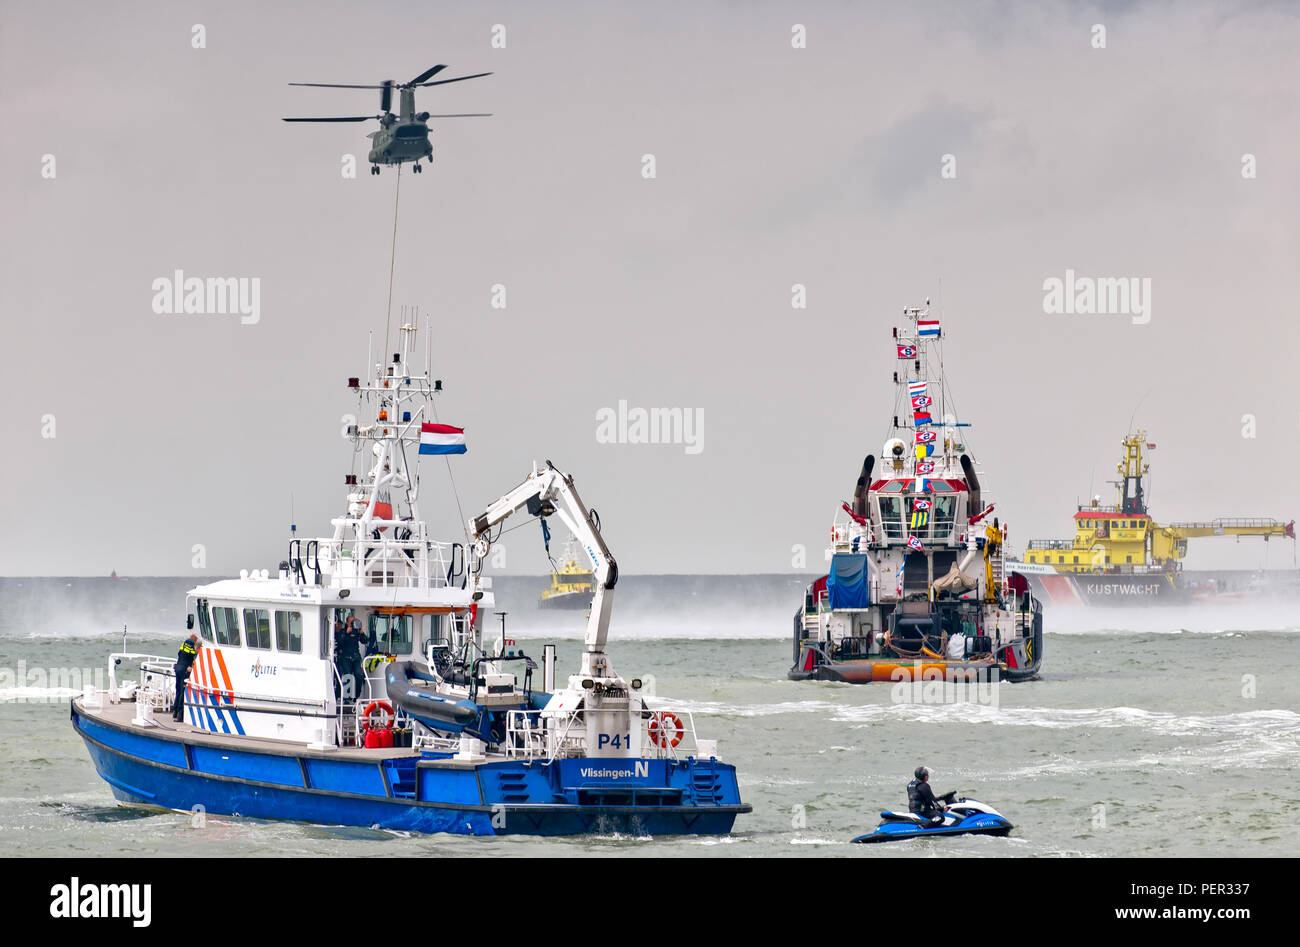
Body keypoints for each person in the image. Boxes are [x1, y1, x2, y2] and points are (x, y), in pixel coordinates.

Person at [334, 615, 367, 703]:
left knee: (359, 675)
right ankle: (346, 698)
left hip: (355, 657)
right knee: (347, 676)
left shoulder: (357, 632)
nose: (353, 623)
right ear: (347, 623)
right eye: (351, 622)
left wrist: (362, 633)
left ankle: (356, 696)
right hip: (345, 657)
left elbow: (365, 641)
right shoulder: (343, 631)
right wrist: (346, 633)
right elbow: (339, 642)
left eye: (354, 621)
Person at [172, 633, 202, 722]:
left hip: (177, 668)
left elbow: (179, 654)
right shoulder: (193, 650)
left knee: (178, 690)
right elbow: (194, 660)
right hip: (184, 670)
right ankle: (180, 715)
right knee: (182, 691)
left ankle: (175, 711)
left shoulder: (184, 646)